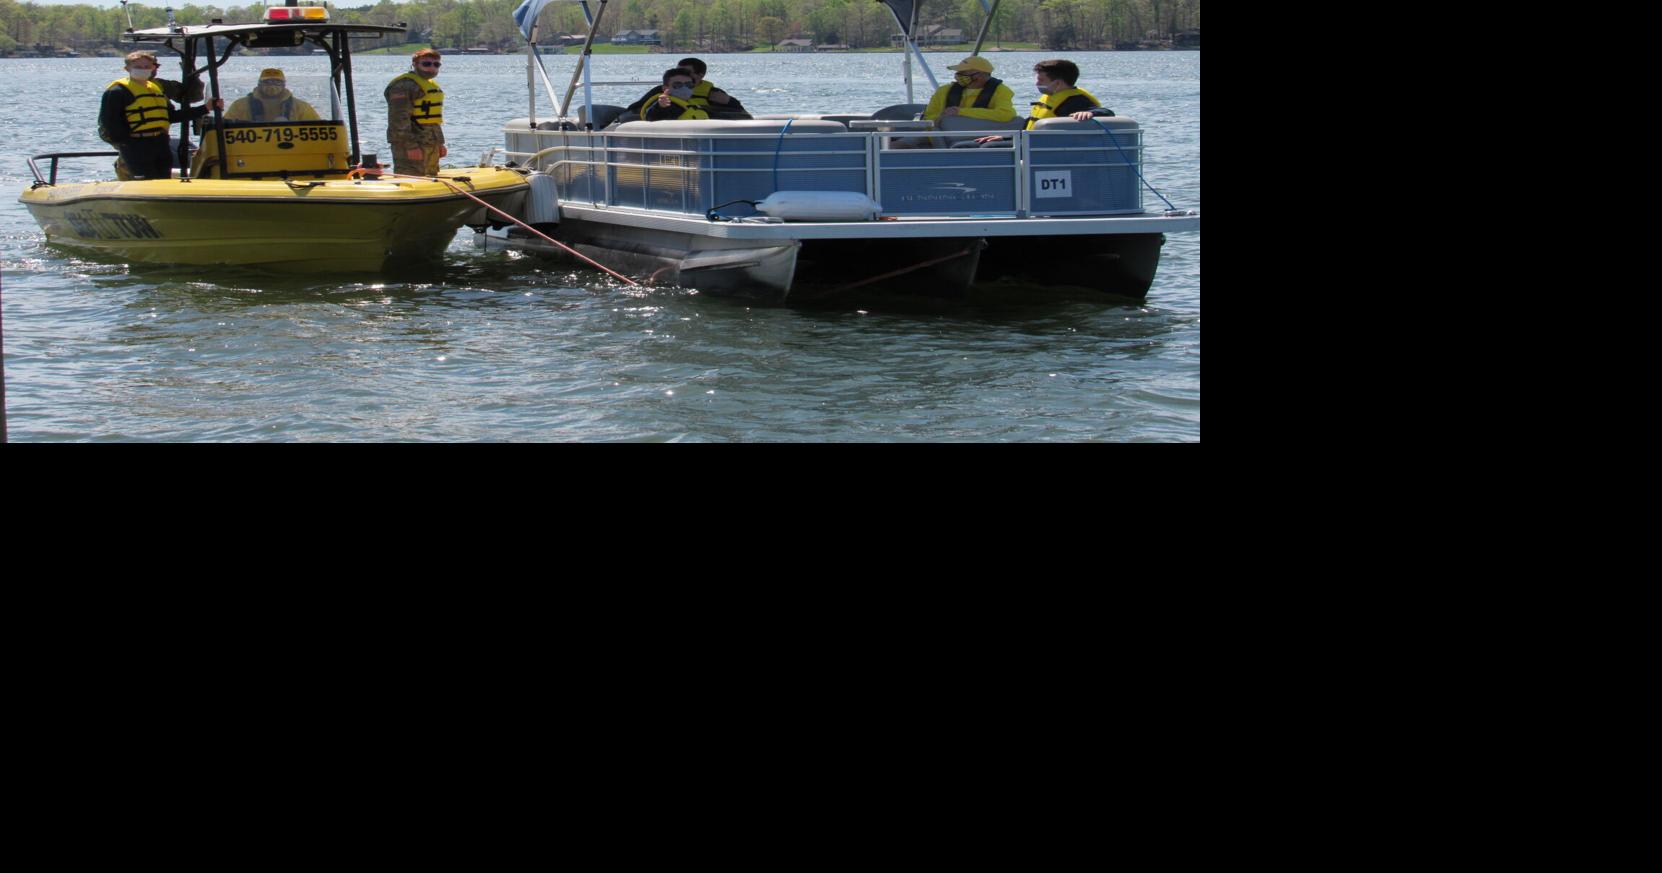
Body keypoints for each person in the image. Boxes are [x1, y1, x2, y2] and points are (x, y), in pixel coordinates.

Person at [98, 50, 221, 180]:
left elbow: (173, 114)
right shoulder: (117, 91)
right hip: (136, 145)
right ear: (127, 68)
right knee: (142, 180)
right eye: (138, 67)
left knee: (163, 179)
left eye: (147, 67)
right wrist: (128, 144)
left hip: (160, 143)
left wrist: (205, 108)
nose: (143, 70)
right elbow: (109, 124)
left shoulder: (158, 87)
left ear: (154, 68)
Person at [964, 59, 1114, 147]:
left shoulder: (1075, 101)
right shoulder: (1048, 98)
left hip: (1044, 151)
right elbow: (1030, 128)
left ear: (1057, 84)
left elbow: (1107, 113)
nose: (1036, 83)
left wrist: (1091, 113)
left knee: (988, 148)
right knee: (968, 146)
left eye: (1041, 80)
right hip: (1029, 145)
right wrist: (1006, 138)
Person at [385, 48, 446, 176]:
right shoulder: (404, 85)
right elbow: (398, 120)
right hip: (411, 145)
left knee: (430, 177)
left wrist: (440, 143)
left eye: (436, 64)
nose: (432, 68)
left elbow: (434, 121)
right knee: (411, 177)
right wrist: (410, 146)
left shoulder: (429, 85)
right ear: (415, 64)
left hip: (430, 143)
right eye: (426, 64)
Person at [921, 56, 1016, 125]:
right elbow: (928, 118)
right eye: (958, 72)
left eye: (963, 72)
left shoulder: (1001, 91)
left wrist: (960, 112)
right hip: (942, 139)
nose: (958, 75)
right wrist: (938, 121)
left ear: (981, 75)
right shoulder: (943, 91)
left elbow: (1005, 114)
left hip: (980, 139)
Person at [224, 68, 320, 123]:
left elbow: (318, 127)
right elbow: (226, 125)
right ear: (259, 84)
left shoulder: (301, 107)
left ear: (284, 84)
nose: (272, 85)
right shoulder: (240, 105)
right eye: (267, 82)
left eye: (277, 82)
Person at [673, 57, 750, 119]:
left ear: (700, 75)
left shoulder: (714, 94)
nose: (679, 75)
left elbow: (745, 116)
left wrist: (731, 101)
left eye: (685, 72)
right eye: (677, 72)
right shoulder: (665, 89)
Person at [637, 68, 711, 121]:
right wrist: (660, 106)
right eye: (678, 85)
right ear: (665, 88)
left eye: (689, 84)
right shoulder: (668, 104)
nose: (684, 88)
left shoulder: (692, 104)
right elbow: (651, 117)